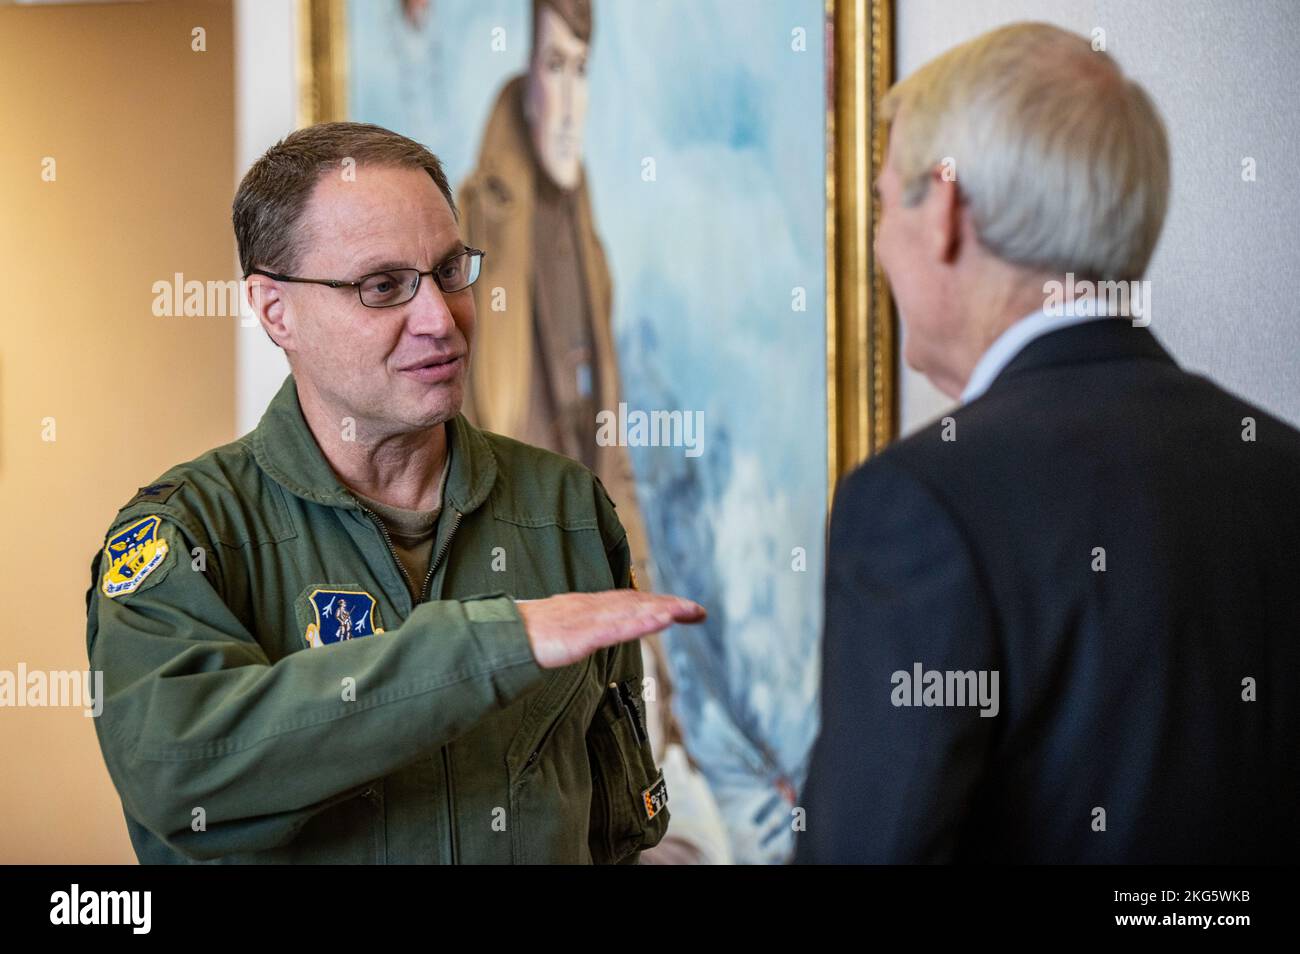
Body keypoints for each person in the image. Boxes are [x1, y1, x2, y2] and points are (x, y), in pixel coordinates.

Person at [84, 121, 705, 864]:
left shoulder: (565, 508)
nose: (441, 321)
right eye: (383, 288)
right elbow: (181, 776)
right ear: (274, 309)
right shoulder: (187, 535)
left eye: (449, 272)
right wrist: (497, 645)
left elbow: (612, 827)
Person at [796, 22, 1300, 863]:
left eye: (883, 202)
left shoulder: (921, 503)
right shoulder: (1284, 469)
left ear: (947, 209)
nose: (878, 240)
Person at [458, 0, 730, 862]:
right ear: (526, 78)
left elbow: (610, 459)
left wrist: (657, 651)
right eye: (555, 67)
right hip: (506, 607)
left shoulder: (585, 231)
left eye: (583, 70)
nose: (571, 98)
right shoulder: (473, 228)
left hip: (592, 593)